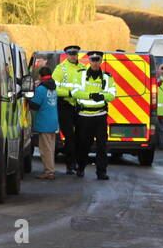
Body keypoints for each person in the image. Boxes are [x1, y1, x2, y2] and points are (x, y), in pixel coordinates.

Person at [70, 50, 117, 180]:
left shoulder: (107, 77)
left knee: (102, 146)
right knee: (83, 145)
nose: (95, 63)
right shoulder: (80, 75)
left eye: (98, 60)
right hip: (84, 116)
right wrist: (90, 95)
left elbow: (112, 95)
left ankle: (101, 171)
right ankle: (81, 167)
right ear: (89, 61)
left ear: (101, 61)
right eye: (93, 60)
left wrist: (101, 96)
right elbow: (74, 92)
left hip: (100, 116)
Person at [52, 45, 86, 174]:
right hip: (65, 105)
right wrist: (70, 93)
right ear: (67, 54)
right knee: (69, 137)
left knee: (81, 136)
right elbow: (55, 88)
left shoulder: (83, 68)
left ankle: (78, 163)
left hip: (80, 106)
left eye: (75, 53)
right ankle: (70, 164)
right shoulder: (60, 69)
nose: (73, 56)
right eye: (71, 53)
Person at [27, 66, 60, 179]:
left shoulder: (41, 89)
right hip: (53, 122)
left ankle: (49, 172)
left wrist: (27, 98)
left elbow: (35, 105)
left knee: (45, 149)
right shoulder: (53, 88)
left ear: (41, 76)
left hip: (44, 122)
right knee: (50, 148)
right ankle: (51, 170)